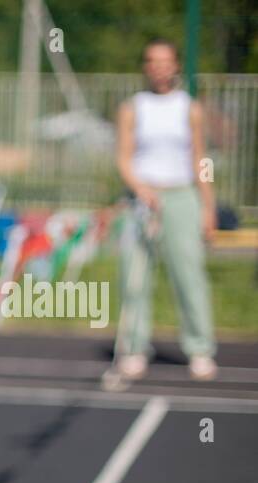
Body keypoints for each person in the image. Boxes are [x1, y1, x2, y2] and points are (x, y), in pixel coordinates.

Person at [106, 38, 217, 389]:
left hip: (181, 196)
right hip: (141, 199)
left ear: (176, 65)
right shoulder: (132, 107)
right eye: (152, 60)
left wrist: (208, 205)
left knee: (188, 274)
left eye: (165, 60)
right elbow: (123, 157)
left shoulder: (190, 107)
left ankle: (200, 348)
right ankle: (135, 347)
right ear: (145, 66)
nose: (158, 67)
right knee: (134, 275)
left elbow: (201, 159)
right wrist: (140, 188)